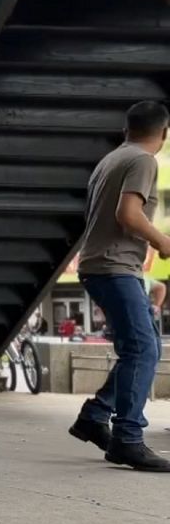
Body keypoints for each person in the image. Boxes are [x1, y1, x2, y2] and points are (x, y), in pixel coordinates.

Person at [67, 101, 170, 472]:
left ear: (127, 128)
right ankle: (127, 438)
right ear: (163, 134)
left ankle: (95, 416)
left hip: (104, 264)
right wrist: (161, 241)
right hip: (114, 267)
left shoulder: (109, 160)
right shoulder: (143, 161)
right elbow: (128, 215)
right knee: (142, 349)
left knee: (143, 347)